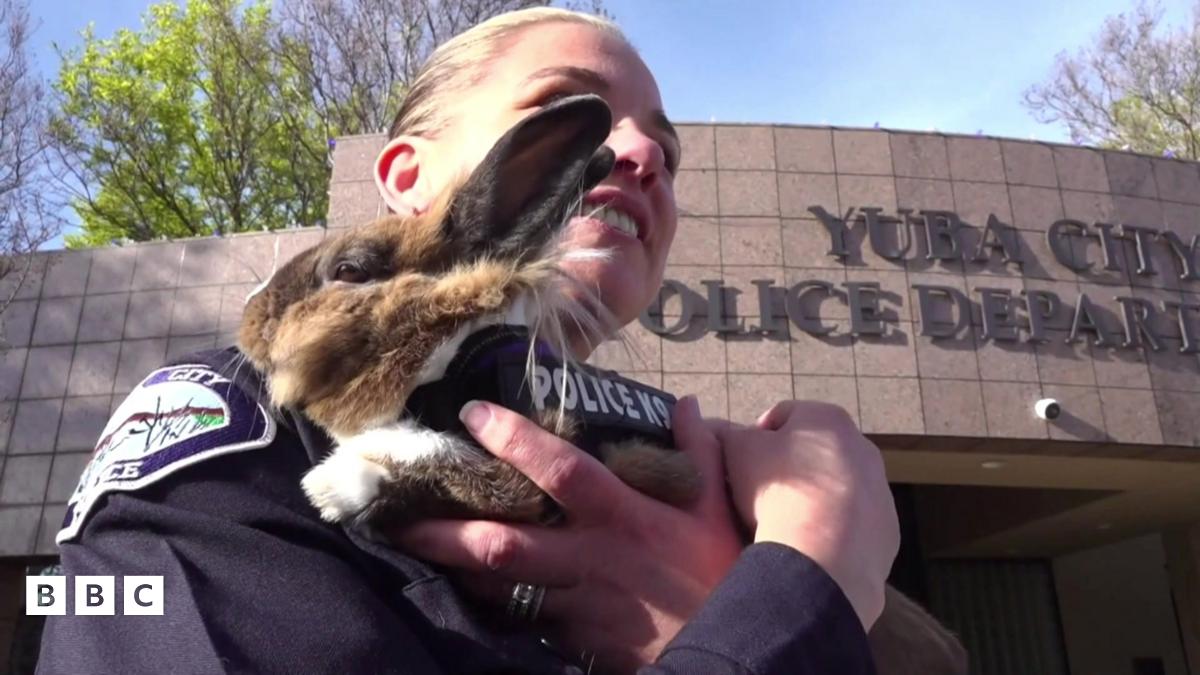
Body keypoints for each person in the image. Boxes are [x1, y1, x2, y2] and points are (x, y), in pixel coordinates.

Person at [37, 8, 899, 674]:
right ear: (406, 177)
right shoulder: (231, 430)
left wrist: (732, 595)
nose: (640, 152)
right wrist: (803, 583)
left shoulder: (690, 467)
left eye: (667, 154)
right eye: (571, 110)